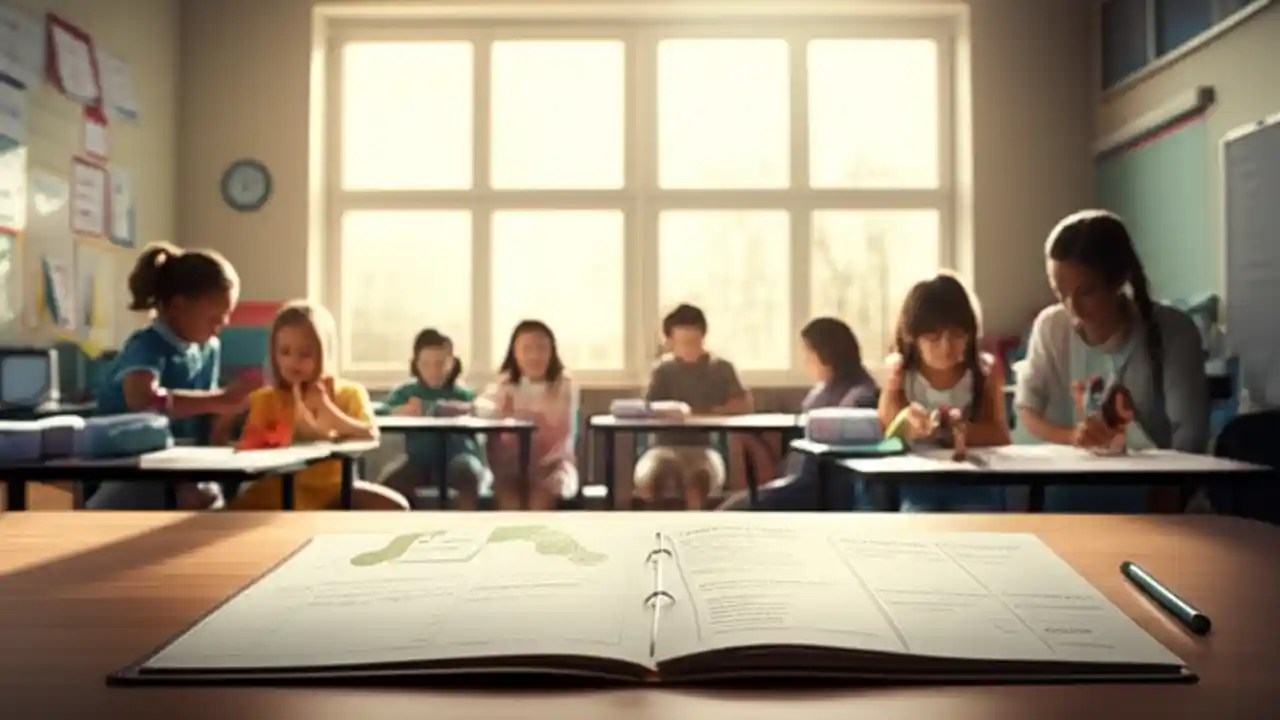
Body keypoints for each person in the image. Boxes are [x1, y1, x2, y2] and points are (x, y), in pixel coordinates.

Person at [1016, 209, 1209, 512]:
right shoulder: (1051, 327)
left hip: (1152, 492)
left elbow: (1190, 436)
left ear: (1118, 279)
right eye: (1060, 293)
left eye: (1086, 292)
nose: (1073, 308)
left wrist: (1168, 497)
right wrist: (1072, 436)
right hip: (1071, 490)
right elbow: (1027, 408)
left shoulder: (1174, 332)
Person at [88, 242, 256, 510]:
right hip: (130, 466)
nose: (220, 328)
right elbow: (142, 401)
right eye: (214, 318)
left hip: (183, 466)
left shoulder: (208, 348)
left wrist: (237, 414)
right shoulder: (146, 345)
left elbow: (208, 420)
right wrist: (220, 399)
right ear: (178, 308)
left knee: (215, 505)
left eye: (226, 318)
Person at [230, 301, 409, 510]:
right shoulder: (264, 399)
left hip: (335, 488)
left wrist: (328, 410)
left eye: (305, 354)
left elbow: (370, 434)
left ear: (323, 353)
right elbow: (252, 446)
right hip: (276, 487)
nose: (293, 362)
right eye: (284, 352)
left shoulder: (350, 393)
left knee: (397, 507)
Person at [878, 272, 1011, 511]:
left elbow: (1000, 435)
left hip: (974, 481)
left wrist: (958, 433)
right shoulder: (903, 373)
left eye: (958, 336)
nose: (946, 347)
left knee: (981, 517)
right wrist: (894, 390)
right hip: (918, 481)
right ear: (912, 338)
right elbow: (887, 431)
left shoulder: (984, 372)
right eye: (933, 338)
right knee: (918, 515)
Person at [719, 317, 880, 511]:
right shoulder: (823, 389)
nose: (805, 363)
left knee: (734, 510)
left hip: (819, 484)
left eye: (808, 355)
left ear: (825, 355)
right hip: (797, 475)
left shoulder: (859, 396)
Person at [634, 303, 773, 510]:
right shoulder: (662, 371)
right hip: (663, 448)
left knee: (698, 479)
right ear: (670, 341)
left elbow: (743, 405)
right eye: (683, 342)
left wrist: (707, 412)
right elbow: (649, 409)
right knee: (657, 477)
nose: (690, 348)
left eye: (694, 341)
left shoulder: (721, 368)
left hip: (705, 450)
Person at [377, 329, 487, 509]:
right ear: (416, 364)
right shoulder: (407, 393)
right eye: (426, 364)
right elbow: (379, 411)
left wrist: (458, 409)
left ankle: (466, 526)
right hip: (419, 461)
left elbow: (481, 411)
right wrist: (400, 411)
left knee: (470, 475)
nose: (433, 370)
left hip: (459, 458)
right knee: (390, 482)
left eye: (440, 363)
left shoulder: (463, 394)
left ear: (452, 364)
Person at [476, 320, 579, 511]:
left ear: (551, 352)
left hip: (552, 466)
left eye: (541, 349)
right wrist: (499, 410)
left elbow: (556, 426)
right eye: (527, 349)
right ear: (515, 354)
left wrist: (512, 412)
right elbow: (482, 407)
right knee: (510, 501)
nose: (534, 356)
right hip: (510, 468)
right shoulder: (506, 383)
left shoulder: (563, 384)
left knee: (540, 499)